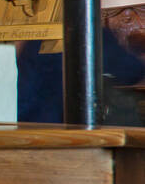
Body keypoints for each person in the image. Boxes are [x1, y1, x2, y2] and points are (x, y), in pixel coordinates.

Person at [16, 27, 145, 123]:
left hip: (43, 127)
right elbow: (132, 71)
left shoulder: (37, 41)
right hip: (88, 127)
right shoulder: (93, 32)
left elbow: (25, 96)